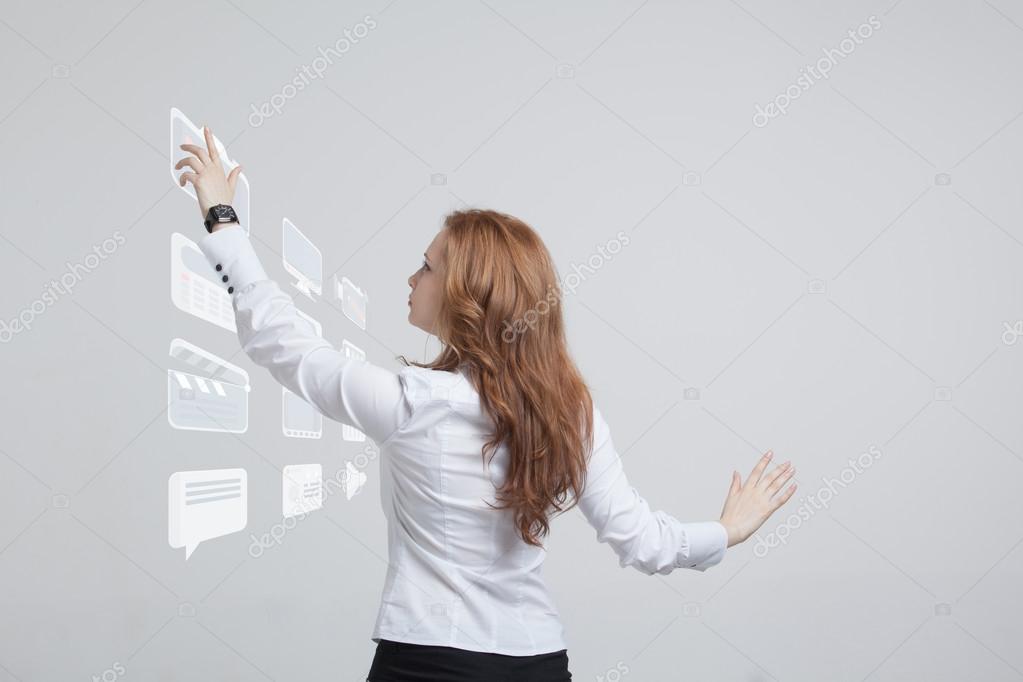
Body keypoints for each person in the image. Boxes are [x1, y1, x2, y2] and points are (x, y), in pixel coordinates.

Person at [176, 126, 798, 682]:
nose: (411, 278)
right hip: (537, 664)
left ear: (467, 295)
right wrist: (727, 531)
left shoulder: (411, 401)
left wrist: (222, 217)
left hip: (427, 661)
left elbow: (281, 342)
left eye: (426, 266)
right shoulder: (571, 414)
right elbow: (641, 540)